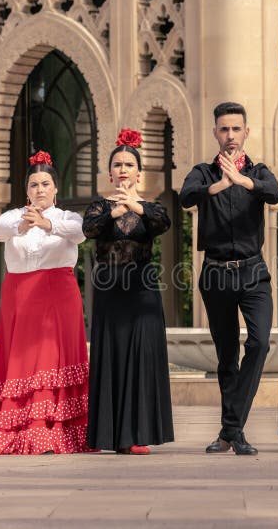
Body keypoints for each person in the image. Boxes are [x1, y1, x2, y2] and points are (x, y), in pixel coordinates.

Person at [0, 151, 91, 455]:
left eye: (45, 183)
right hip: (20, 296)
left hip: (58, 295)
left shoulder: (67, 218)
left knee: (52, 358)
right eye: (34, 184)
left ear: (56, 189)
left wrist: (48, 224)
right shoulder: (13, 217)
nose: (40, 189)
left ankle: (54, 430)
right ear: (27, 190)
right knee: (21, 359)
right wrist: (23, 225)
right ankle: (19, 428)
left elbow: (82, 233)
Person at [179, 102, 278, 455]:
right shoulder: (203, 173)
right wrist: (219, 185)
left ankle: (231, 427)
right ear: (215, 133)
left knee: (259, 343)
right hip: (216, 273)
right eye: (224, 129)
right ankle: (233, 432)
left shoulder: (259, 171)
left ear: (246, 132)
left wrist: (243, 181)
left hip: (254, 272)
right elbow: (184, 197)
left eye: (236, 129)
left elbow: (275, 194)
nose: (230, 136)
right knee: (226, 356)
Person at [84, 128, 174, 455]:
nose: (123, 169)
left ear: (139, 172)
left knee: (141, 356)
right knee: (114, 355)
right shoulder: (98, 207)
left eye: (129, 164)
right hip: (109, 289)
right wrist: (116, 211)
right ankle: (112, 436)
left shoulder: (150, 208)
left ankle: (137, 433)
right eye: (118, 164)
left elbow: (163, 223)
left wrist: (135, 205)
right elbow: (89, 229)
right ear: (110, 172)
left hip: (142, 289)